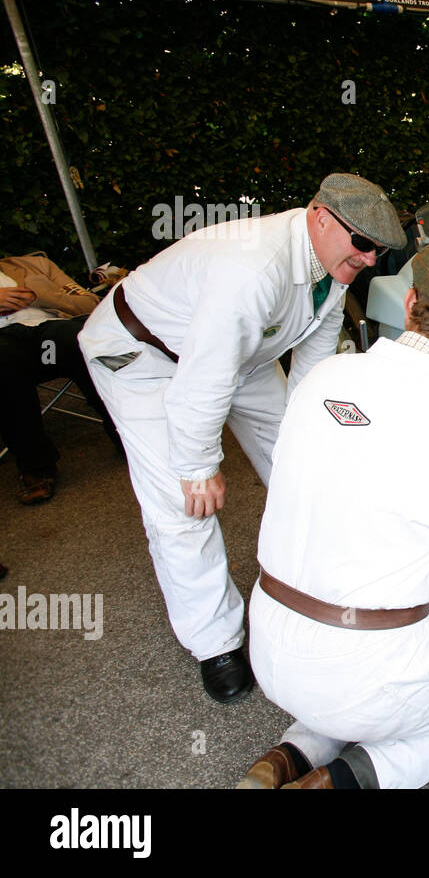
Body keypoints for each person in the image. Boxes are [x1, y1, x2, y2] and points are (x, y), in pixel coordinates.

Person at [78, 173, 405, 703]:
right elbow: (203, 377)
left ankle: (324, 571)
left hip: (241, 358)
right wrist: (199, 463)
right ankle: (216, 642)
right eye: (364, 244)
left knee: (300, 456)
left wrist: (307, 432)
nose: (371, 259)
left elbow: (314, 360)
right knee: (184, 507)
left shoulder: (335, 264)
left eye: (379, 249)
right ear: (320, 216)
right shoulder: (252, 268)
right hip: (144, 355)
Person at [240, 241, 429, 789]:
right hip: (363, 668)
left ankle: (288, 755)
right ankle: (341, 780)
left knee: (363, 661)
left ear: (409, 304)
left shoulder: (323, 376)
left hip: (266, 639)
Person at [1, 252, 121, 503]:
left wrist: (40, 296)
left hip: (48, 339)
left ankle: (126, 433)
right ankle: (36, 467)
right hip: (7, 348)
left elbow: (89, 303)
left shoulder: (35, 264)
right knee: (4, 362)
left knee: (78, 341)